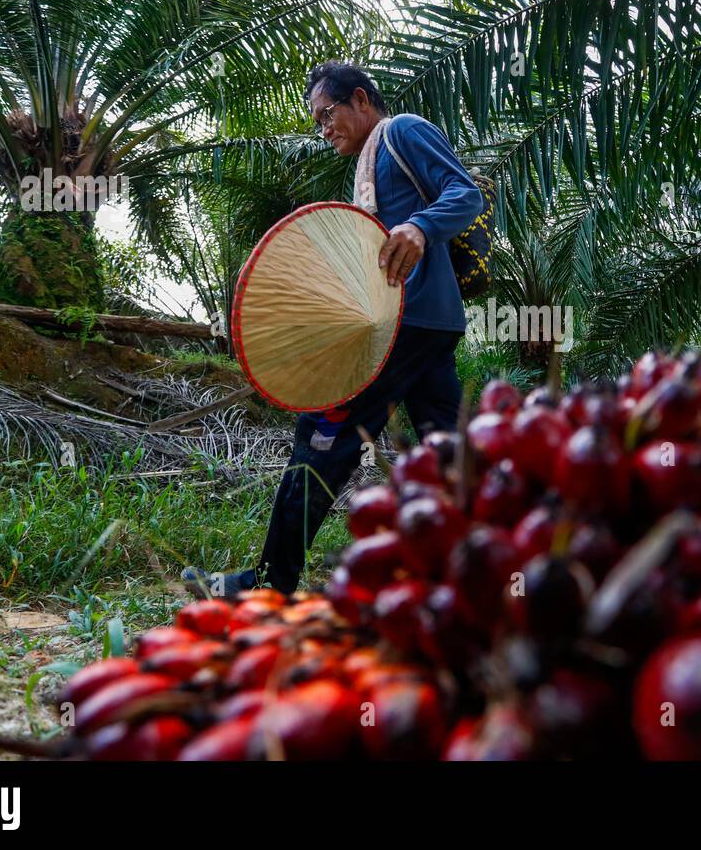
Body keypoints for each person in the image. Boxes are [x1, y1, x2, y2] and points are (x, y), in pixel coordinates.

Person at [184, 61, 483, 598]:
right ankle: (474, 577)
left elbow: (465, 195)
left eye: (329, 115)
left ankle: (270, 586)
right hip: (426, 327)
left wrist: (418, 226)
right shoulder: (366, 169)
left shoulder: (403, 131)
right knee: (447, 453)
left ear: (362, 100)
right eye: (317, 123)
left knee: (322, 437)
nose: (324, 131)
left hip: (403, 325)